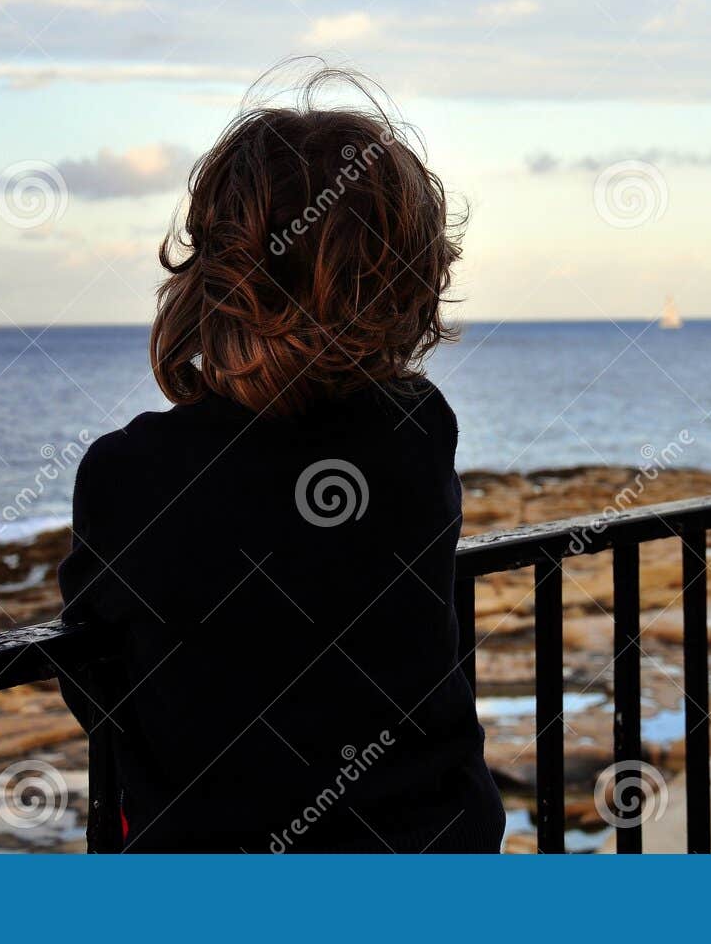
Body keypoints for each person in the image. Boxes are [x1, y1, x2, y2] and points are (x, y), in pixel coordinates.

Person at [57, 69, 504, 853]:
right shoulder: (418, 430)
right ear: (407, 282)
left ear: (213, 276)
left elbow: (96, 681)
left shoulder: (129, 475)